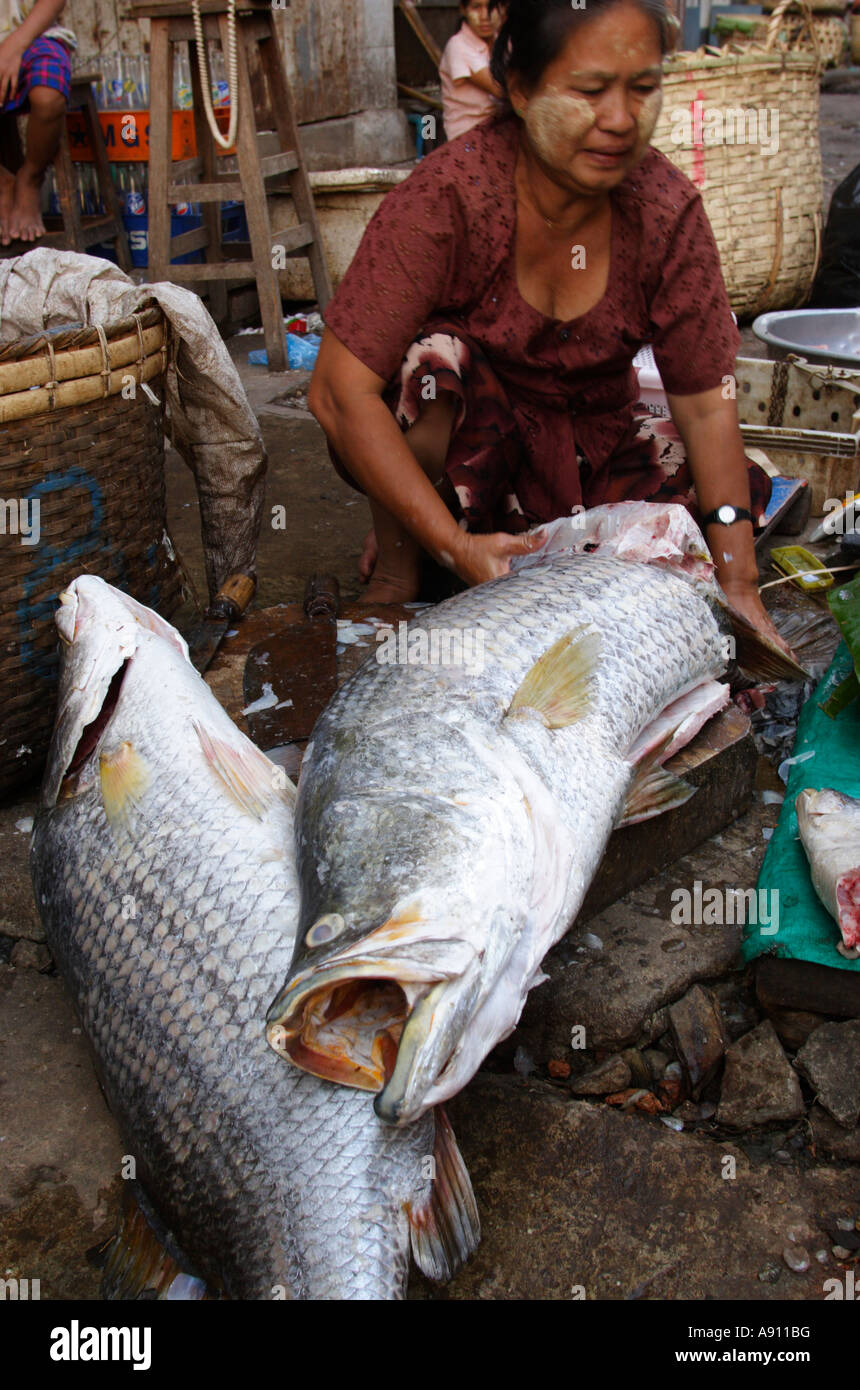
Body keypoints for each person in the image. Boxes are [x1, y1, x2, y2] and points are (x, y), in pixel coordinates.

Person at [308, 0, 783, 651]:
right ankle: (402, 561)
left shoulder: (666, 212)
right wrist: (449, 544)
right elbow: (337, 390)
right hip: (482, 445)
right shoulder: (449, 197)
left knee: (719, 497)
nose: (620, 120)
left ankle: (479, 532)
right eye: (589, 91)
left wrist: (742, 591)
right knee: (430, 368)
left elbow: (706, 408)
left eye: (643, 89)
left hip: (596, 447)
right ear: (523, 90)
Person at [0, 0, 76, 244]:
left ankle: (30, 178)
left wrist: (14, 44)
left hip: (32, 34)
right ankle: (3, 184)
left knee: (48, 97)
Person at [439, 0, 504, 141]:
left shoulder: (501, 42)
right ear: (464, 9)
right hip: (467, 138)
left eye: (491, 7)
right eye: (476, 7)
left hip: (497, 129)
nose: (484, 16)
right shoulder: (458, 45)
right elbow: (499, 89)